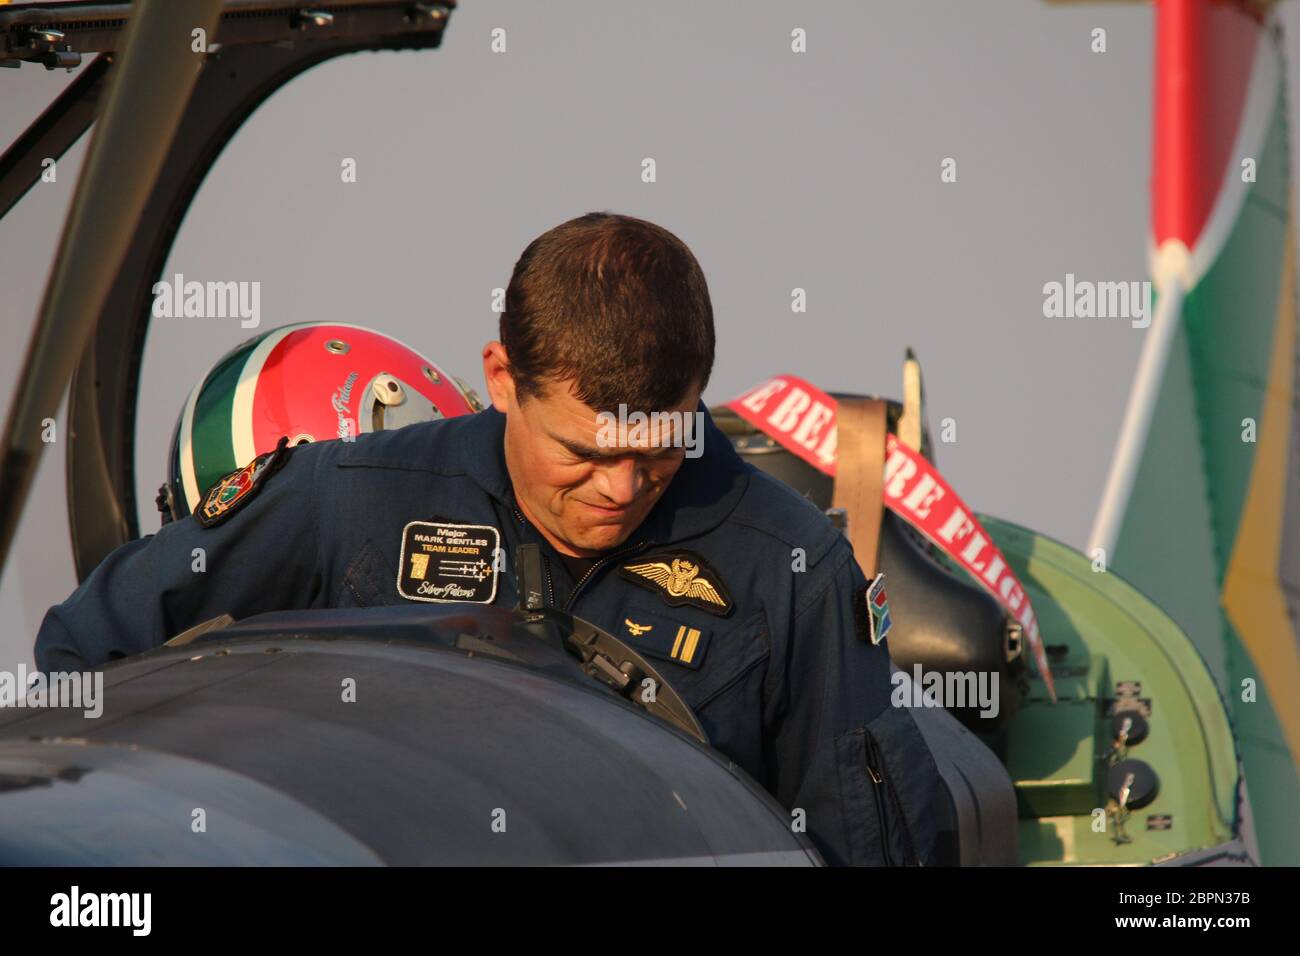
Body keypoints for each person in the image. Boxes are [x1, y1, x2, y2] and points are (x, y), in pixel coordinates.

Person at [35, 211, 942, 866]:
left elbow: (870, 848)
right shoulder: (343, 500)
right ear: (501, 377)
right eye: (584, 453)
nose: (621, 490)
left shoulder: (789, 567)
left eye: (660, 449)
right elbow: (89, 659)